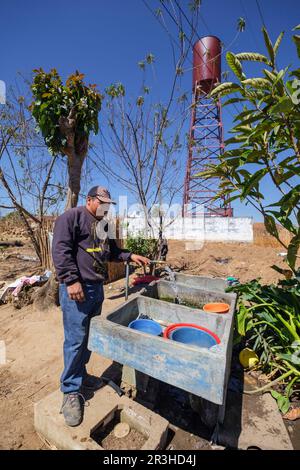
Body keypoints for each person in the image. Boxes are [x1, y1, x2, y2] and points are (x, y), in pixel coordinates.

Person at [52, 186, 150, 427]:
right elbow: (60, 250)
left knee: (89, 337)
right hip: (77, 289)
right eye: (102, 202)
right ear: (89, 200)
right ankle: (70, 391)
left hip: (96, 289)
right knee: (75, 339)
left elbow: (113, 252)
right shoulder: (71, 218)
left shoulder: (105, 224)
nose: (106, 207)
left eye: (109, 203)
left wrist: (130, 256)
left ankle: (81, 375)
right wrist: (71, 280)